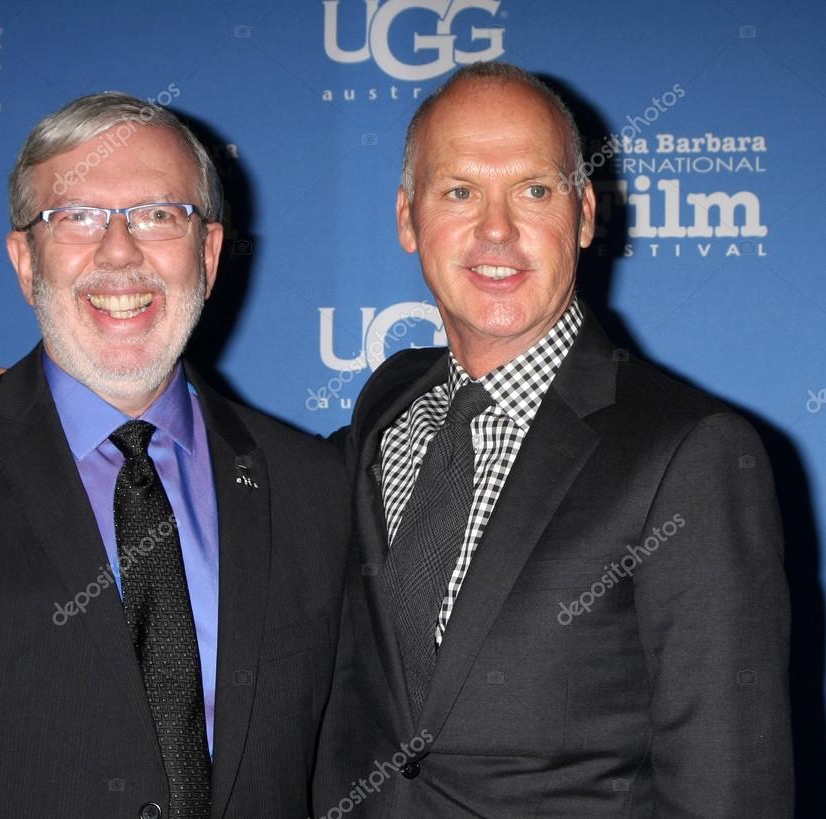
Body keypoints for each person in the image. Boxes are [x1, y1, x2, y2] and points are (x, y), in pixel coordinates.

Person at [0, 92, 349, 819]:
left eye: (158, 214)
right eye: (76, 218)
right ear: (25, 260)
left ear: (209, 254)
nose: (119, 252)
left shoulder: (311, 486)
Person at [314, 62, 792, 817]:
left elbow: (730, 783)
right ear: (408, 217)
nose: (496, 228)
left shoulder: (693, 452)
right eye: (459, 190)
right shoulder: (384, 412)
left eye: (534, 190)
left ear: (585, 213)